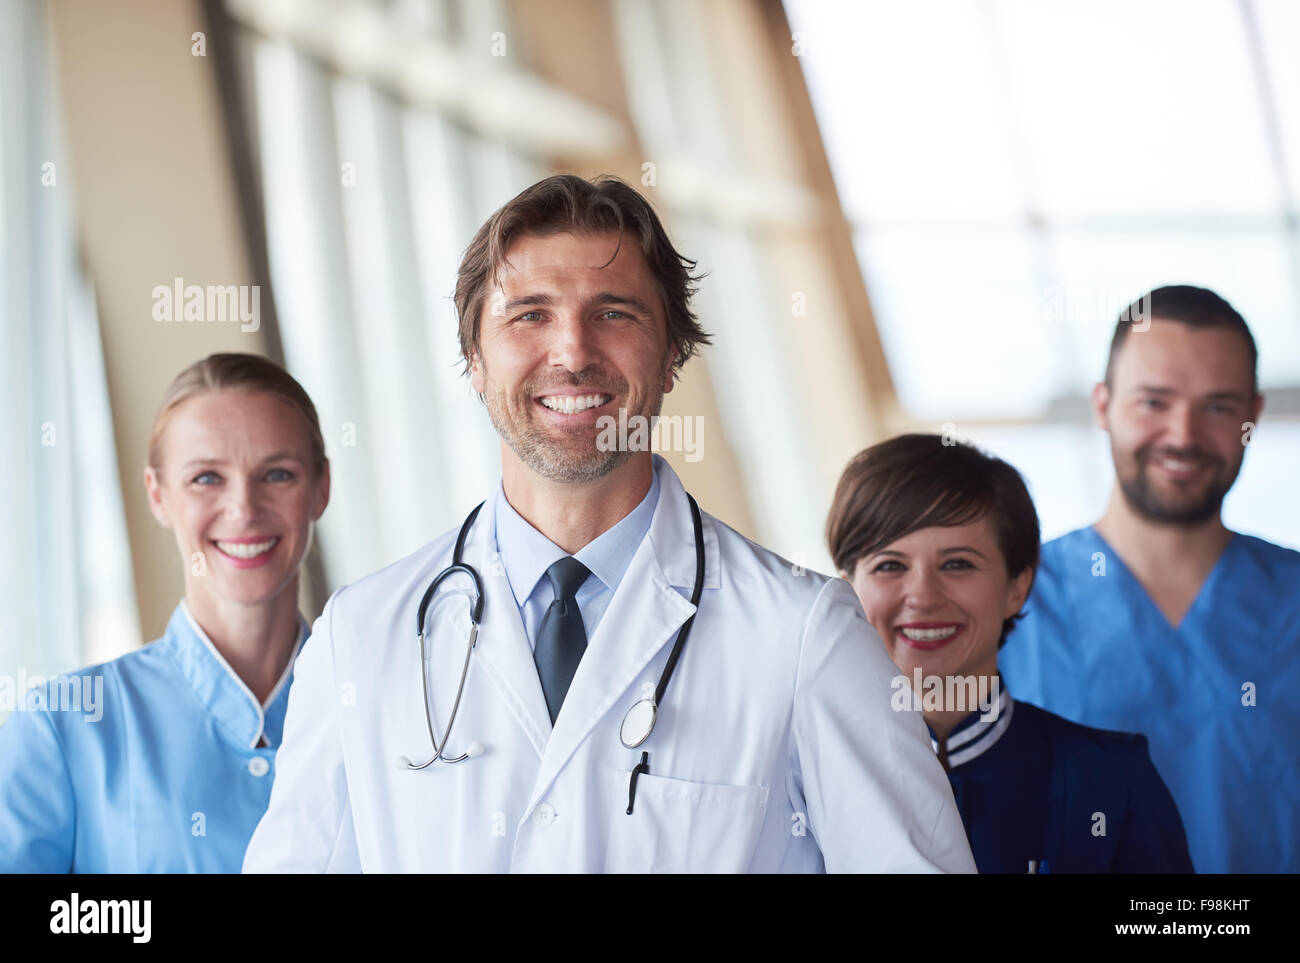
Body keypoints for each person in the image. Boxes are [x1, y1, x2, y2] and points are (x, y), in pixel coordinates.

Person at [244, 174, 975, 873]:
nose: (572, 352)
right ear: (474, 357)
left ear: (672, 356)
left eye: (614, 313)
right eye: (529, 313)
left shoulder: (805, 635)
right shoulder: (360, 637)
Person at [999, 285, 1300, 873]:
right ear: (1103, 405)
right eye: (1154, 402)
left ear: (1253, 417)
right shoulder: (1007, 604)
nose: (1183, 436)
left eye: (1217, 406)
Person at [0, 353, 330, 872]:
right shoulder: (61, 728)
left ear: (320, 488)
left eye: (277, 474)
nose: (243, 509)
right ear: (158, 495)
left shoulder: (382, 711)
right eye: (206, 478)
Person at [828, 433, 1193, 873]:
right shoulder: (804, 781)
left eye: (957, 563)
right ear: (846, 588)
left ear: (1017, 587)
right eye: (890, 565)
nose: (923, 597)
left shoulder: (1112, 780)